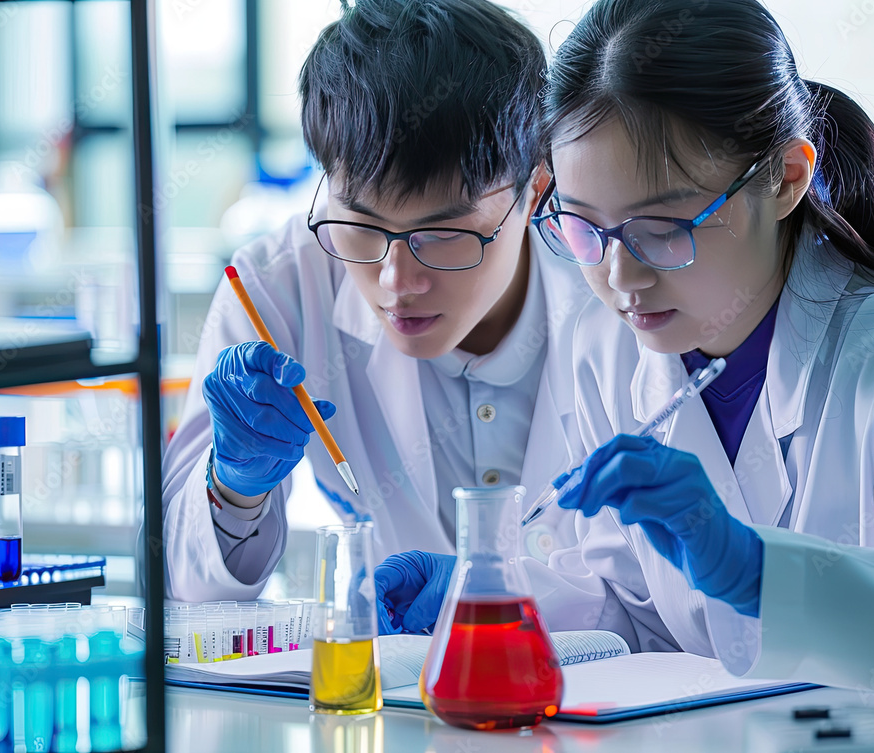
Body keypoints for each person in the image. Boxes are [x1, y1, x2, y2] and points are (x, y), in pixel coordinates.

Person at [377, 0, 874, 694]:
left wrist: (757, 570)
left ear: (784, 178)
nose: (619, 277)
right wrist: (488, 590)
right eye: (583, 227)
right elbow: (638, 614)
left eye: (662, 225)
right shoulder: (608, 351)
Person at [159, 0, 593, 605]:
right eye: (361, 226)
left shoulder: (615, 280)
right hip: (395, 689)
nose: (396, 280)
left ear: (537, 187)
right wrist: (233, 488)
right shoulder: (278, 288)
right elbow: (184, 590)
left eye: (443, 234)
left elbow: (663, 597)